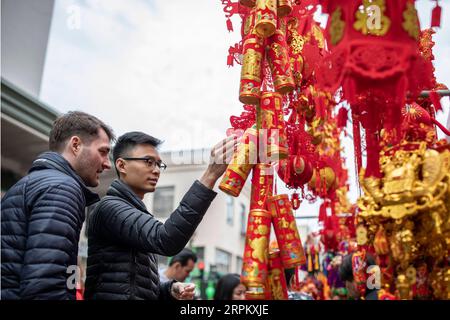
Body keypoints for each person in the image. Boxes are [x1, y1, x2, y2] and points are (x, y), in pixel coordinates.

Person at [84, 131, 237, 300]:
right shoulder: (110, 207)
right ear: (121, 165)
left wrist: (168, 289)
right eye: (148, 162)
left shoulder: (136, 212)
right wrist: (210, 175)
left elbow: (137, 286)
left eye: (159, 164)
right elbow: (165, 239)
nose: (156, 170)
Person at [1, 111, 114, 300]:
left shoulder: (29, 184)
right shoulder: (62, 188)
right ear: (76, 145)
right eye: (102, 152)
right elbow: (45, 285)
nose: (107, 164)